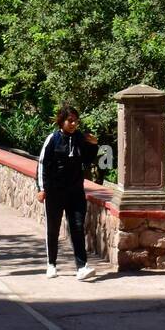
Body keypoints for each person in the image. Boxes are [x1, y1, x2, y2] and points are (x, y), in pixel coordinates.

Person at [36, 106, 99, 280]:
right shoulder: (53, 139)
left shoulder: (80, 139)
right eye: (69, 120)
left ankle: (82, 267)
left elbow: (87, 161)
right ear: (61, 121)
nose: (73, 124)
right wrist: (41, 188)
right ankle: (51, 264)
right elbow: (42, 165)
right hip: (55, 192)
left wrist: (93, 145)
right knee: (53, 229)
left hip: (75, 192)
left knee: (77, 227)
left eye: (75, 121)